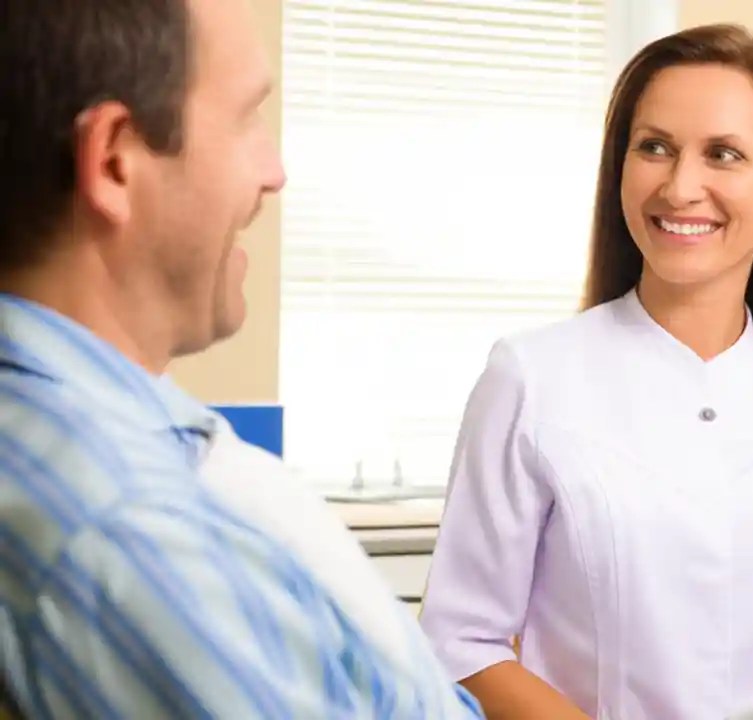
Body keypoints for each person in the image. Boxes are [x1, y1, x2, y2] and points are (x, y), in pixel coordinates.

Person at [0, 0, 484, 717]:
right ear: (113, 160)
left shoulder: (111, 442)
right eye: (246, 118)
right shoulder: (130, 533)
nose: (274, 172)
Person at [419, 22, 753, 720]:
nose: (682, 186)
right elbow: (458, 640)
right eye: (654, 147)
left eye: (724, 154)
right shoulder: (532, 377)